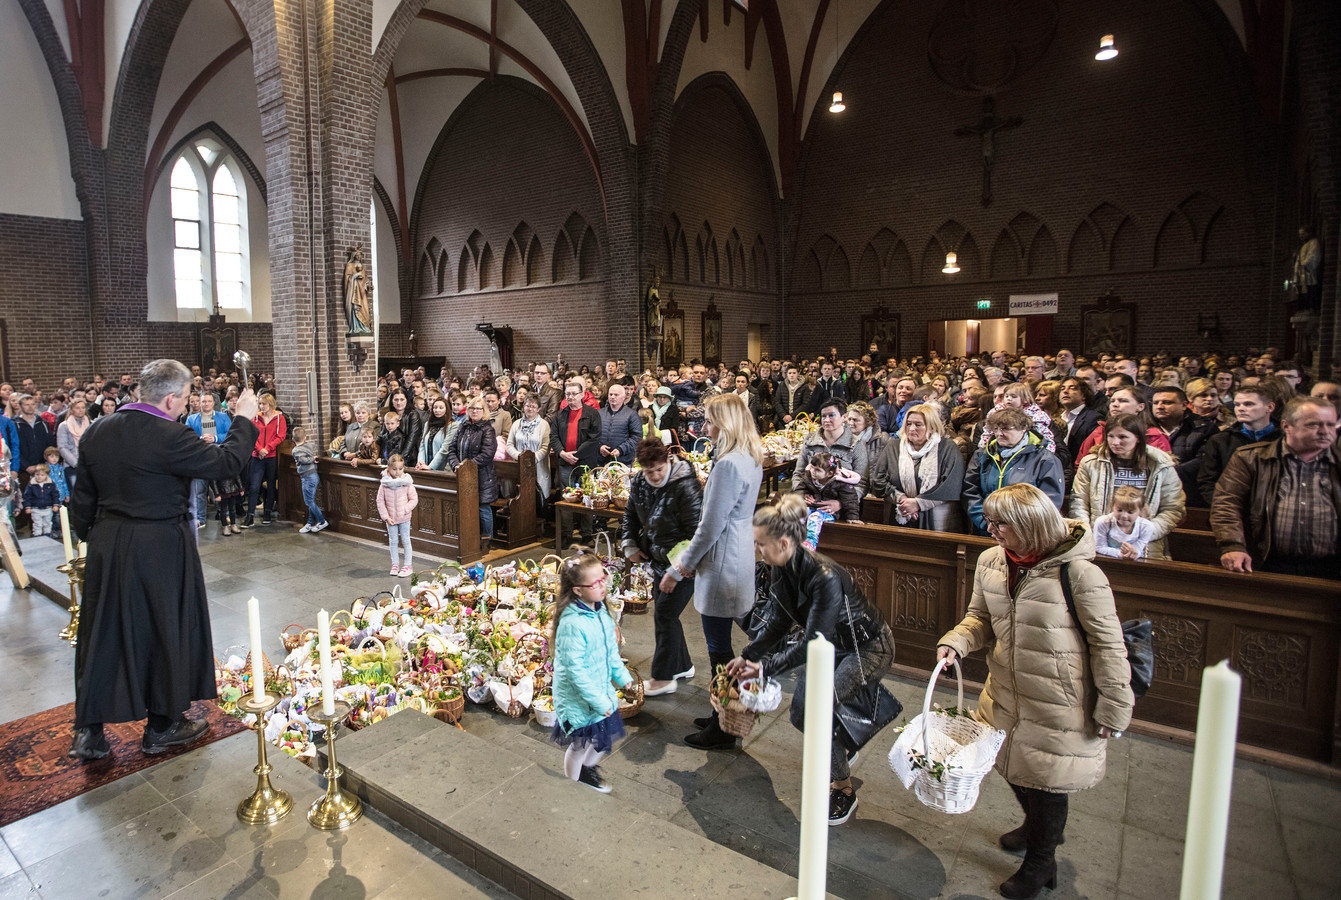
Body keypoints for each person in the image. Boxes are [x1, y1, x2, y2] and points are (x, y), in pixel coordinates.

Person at [937, 483, 1133, 899]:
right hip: (1007, 686)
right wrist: (957, 640)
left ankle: (1042, 862)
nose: (990, 529)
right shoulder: (992, 560)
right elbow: (979, 618)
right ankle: (1035, 828)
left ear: (1030, 523)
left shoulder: (1079, 572)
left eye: (1000, 523)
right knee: (1009, 763)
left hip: (1061, 697)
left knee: (1048, 779)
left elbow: (1109, 644)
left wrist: (1115, 707)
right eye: (988, 520)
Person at [69, 361, 260, 761]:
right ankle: (163, 726)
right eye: (187, 397)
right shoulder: (171, 435)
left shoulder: (97, 431)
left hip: (107, 541)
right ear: (172, 398)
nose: (186, 404)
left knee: (102, 634)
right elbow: (226, 463)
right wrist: (243, 418)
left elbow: (82, 501)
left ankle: (88, 732)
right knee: (162, 628)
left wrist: (101, 540)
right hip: (158, 545)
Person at [731, 494, 897, 826]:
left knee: (820, 713)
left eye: (760, 544)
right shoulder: (781, 568)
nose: (756, 551)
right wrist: (747, 655)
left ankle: (842, 788)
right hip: (833, 649)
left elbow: (813, 642)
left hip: (868, 646)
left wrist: (765, 667)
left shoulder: (824, 576)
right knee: (801, 713)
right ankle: (845, 742)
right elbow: (779, 622)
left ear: (782, 542)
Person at [665, 393, 764, 750]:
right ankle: (720, 714)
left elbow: (709, 527)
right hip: (738, 553)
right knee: (721, 645)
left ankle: (723, 729)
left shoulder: (728, 465)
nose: (704, 427)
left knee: (719, 649)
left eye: (708, 421)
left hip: (722, 559)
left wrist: (682, 566)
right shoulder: (750, 457)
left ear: (725, 422)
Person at [1210, 398, 1339, 578]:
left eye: (1331, 425)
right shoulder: (1251, 458)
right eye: (1314, 425)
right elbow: (1227, 504)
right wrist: (1233, 546)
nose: (1325, 431)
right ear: (1287, 426)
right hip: (1268, 562)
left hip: (1331, 567)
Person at [622, 437, 703, 696]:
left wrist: (677, 570)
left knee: (665, 615)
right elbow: (630, 514)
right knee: (668, 614)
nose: (655, 476)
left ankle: (663, 678)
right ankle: (682, 665)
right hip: (657, 558)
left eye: (659, 469)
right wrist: (630, 544)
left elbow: (696, 534)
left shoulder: (686, 485)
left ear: (668, 460)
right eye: (649, 472)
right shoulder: (639, 481)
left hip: (686, 562)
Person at [549, 553, 634, 794]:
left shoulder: (601, 613)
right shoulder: (572, 623)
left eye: (602, 579)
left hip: (598, 693)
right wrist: (598, 700)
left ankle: (585, 770)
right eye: (594, 583)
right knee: (578, 747)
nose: (602, 586)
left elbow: (610, 653)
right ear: (577, 590)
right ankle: (572, 788)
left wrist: (622, 677)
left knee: (601, 741)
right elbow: (575, 672)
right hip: (578, 700)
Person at [1069, 415, 1185, 559]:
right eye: (1110, 436)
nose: (1115, 442)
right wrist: (1090, 534)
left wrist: (1143, 533)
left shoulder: (1160, 465)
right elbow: (1079, 503)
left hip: (1146, 546)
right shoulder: (1091, 463)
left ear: (1137, 438)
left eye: (1123, 437)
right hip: (1098, 544)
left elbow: (1173, 508)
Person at [870, 403, 965, 531]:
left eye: (918, 424)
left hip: (936, 517)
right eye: (908, 424)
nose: (912, 428)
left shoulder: (948, 448)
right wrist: (902, 499)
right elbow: (878, 480)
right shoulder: (894, 447)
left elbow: (951, 484)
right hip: (899, 512)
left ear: (932, 427)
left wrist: (918, 503)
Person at [1196, 385, 1279, 505]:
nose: (1240, 409)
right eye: (1237, 404)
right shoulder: (1221, 440)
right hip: (1231, 508)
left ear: (1270, 407)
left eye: (1249, 404)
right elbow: (1207, 481)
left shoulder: (1285, 439)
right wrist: (1223, 507)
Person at [550, 379, 601, 544]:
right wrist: (562, 453)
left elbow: (594, 439)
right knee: (567, 498)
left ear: (582, 394)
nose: (570, 397)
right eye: (567, 394)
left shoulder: (592, 414)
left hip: (585, 462)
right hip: (565, 463)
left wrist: (576, 454)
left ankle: (587, 534)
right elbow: (554, 437)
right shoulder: (560, 415)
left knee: (587, 497)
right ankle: (566, 534)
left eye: (574, 394)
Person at [446, 398, 500, 552]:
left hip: (483, 477)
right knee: (466, 507)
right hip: (464, 474)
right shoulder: (463, 427)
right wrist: (457, 465)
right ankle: (469, 539)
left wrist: (467, 467)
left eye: (478, 409)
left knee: (483, 507)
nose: (474, 411)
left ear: (484, 411)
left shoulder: (488, 429)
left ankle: (486, 540)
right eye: (471, 408)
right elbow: (452, 449)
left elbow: (487, 454)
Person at [1075, 386, 1172, 460]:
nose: (1115, 405)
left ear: (1140, 407)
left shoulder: (1154, 436)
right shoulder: (1099, 431)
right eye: (1112, 401)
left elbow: (1163, 471)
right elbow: (1081, 463)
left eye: (1123, 401)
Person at [796, 399, 870, 493]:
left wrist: (841, 503)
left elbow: (861, 483)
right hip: (810, 497)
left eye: (831, 415)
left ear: (844, 417)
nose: (826, 420)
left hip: (843, 500)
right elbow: (798, 474)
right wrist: (801, 494)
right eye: (823, 416)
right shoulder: (810, 441)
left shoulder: (856, 444)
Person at [794, 451, 862, 549]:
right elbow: (799, 490)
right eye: (812, 467)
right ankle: (793, 539)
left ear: (829, 473)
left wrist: (853, 517)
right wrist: (803, 496)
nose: (813, 471)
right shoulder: (809, 477)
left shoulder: (841, 482)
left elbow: (850, 499)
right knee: (799, 515)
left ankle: (810, 543)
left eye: (817, 469)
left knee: (815, 518)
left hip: (829, 512)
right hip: (812, 507)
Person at [186, 392, 231, 528]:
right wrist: (200, 440)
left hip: (218, 456)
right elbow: (187, 437)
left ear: (213, 403)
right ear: (200, 403)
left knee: (221, 488)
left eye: (209, 401)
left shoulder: (223, 417)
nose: (206, 404)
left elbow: (230, 433)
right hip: (200, 458)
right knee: (200, 490)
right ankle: (200, 518)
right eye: (204, 401)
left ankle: (224, 514)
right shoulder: (192, 419)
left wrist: (215, 438)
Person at [245, 392, 286, 527]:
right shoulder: (255, 418)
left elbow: (280, 436)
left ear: (271, 404)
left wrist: (267, 448)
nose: (262, 407)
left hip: (271, 456)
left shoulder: (279, 418)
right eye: (260, 404)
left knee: (270, 485)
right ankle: (250, 515)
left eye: (264, 404)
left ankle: (267, 512)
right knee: (254, 486)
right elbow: (251, 434)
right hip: (257, 456)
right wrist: (259, 449)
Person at [376, 453, 418, 577]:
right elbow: (380, 501)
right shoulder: (384, 483)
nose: (398, 472)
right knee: (393, 541)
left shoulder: (407, 482)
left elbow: (414, 499)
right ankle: (395, 564)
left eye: (400, 469)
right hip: (391, 519)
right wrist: (386, 517)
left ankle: (408, 565)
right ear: (388, 468)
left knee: (406, 540)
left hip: (404, 518)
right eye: (394, 469)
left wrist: (405, 509)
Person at [506, 394, 552, 506]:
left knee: (537, 501)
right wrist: (520, 457)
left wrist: (531, 459)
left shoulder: (544, 425)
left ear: (538, 409)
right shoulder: (517, 424)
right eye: (527, 405)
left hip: (538, 466)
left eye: (533, 406)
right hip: (519, 465)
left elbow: (546, 447)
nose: (530, 409)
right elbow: (509, 444)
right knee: (520, 500)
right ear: (523, 407)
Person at [1093, 486, 1156, 560]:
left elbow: (1138, 550)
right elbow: (1099, 547)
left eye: (1130, 512)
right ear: (1112, 507)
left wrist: (1133, 554)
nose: (1124, 516)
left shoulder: (1146, 527)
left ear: (1140, 511)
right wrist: (1120, 554)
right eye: (1119, 510)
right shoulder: (1103, 522)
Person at [291, 426, 328, 534]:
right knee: (310, 500)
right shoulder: (310, 445)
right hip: (313, 475)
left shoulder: (296, 450)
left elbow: (303, 460)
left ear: (293, 439)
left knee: (309, 501)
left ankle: (321, 521)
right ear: (305, 437)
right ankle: (310, 522)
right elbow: (313, 447)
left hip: (308, 477)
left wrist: (311, 459)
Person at [22, 463, 60, 536]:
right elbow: (27, 496)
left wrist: (55, 504)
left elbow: (55, 495)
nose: (39, 477)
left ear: (47, 475)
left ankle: (47, 535)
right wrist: (28, 507)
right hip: (36, 508)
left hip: (48, 508)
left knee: (48, 523)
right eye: (37, 474)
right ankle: (37, 536)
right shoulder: (31, 485)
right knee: (37, 524)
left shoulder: (50, 484)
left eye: (42, 475)